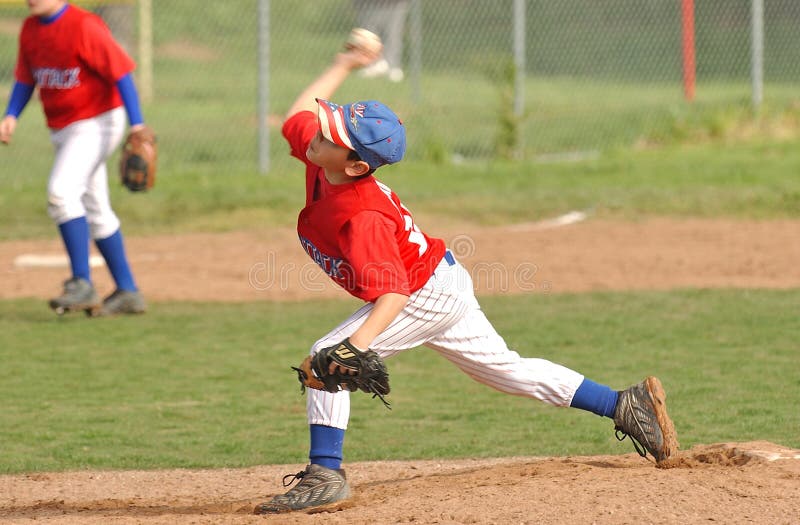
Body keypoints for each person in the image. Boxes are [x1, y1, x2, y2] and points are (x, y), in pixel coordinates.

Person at [254, 41, 679, 515]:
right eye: (328, 124)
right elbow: (296, 116)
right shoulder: (326, 158)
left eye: (331, 134)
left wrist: (355, 347)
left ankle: (325, 474)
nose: (318, 134)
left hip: (422, 292)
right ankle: (624, 404)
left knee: (327, 358)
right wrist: (345, 64)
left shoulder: (362, 217)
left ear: (356, 166)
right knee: (505, 370)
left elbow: (393, 293)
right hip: (441, 279)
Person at [0, 0, 149, 316]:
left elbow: (122, 73)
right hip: (63, 128)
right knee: (95, 208)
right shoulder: (30, 29)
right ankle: (128, 291)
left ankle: (82, 282)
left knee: (62, 193)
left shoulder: (84, 26)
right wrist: (11, 114)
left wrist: (138, 125)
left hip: (98, 122)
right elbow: (26, 78)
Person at [354, 0, 410, 82]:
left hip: (394, 4)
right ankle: (372, 64)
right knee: (368, 35)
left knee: (392, 35)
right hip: (366, 4)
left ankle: (393, 67)